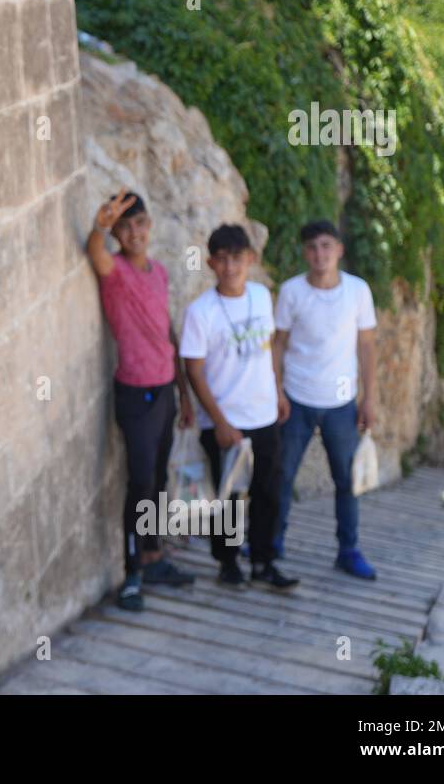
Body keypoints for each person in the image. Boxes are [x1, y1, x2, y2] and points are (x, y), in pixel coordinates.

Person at [85, 188, 195, 611]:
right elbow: (94, 251)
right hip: (136, 391)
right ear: (117, 233)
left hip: (165, 388)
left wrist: (183, 393)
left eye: (139, 224)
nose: (133, 232)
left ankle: (153, 557)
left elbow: (168, 333)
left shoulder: (160, 272)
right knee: (141, 482)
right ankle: (131, 573)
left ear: (150, 227)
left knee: (159, 481)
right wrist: (100, 225)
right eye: (124, 227)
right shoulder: (114, 271)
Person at [180, 224, 298, 591]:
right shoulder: (201, 312)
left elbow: (268, 352)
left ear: (251, 258)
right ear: (211, 262)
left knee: (267, 490)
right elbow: (193, 371)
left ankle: (263, 560)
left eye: (237, 258)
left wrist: (278, 392)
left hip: (263, 414)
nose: (231, 266)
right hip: (224, 421)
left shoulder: (262, 297)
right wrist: (219, 423)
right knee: (227, 496)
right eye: (223, 259)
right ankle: (228, 562)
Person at [272, 219, 378, 579]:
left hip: (341, 402)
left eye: (326, 246)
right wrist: (276, 391)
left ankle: (348, 550)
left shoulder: (358, 291)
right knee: (282, 474)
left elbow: (367, 345)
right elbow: (279, 343)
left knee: (346, 480)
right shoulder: (291, 292)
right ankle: (273, 541)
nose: (320, 254)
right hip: (296, 398)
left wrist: (370, 398)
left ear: (339, 250)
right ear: (305, 253)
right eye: (313, 247)